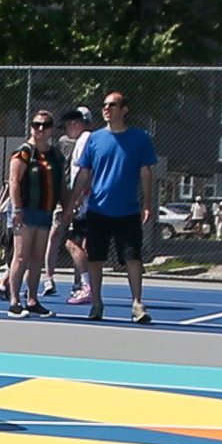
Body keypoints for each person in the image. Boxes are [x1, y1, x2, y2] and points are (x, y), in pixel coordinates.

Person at [69, 85, 162, 323]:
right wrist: (71, 202)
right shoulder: (95, 139)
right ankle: (97, 304)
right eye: (105, 105)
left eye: (112, 105)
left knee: (133, 258)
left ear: (124, 110)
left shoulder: (140, 138)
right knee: (95, 258)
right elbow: (84, 172)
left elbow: (146, 172)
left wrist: (147, 203)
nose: (107, 109)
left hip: (128, 210)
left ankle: (137, 303)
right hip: (98, 210)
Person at [0, 108, 61, 317]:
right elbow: (14, 180)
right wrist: (17, 208)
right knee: (21, 256)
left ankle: (32, 299)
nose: (40, 129)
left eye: (45, 125)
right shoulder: (23, 152)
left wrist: (67, 206)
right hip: (25, 211)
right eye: (36, 124)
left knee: (37, 257)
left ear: (52, 129)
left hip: (45, 210)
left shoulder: (55, 155)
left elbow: (62, 183)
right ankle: (14, 301)